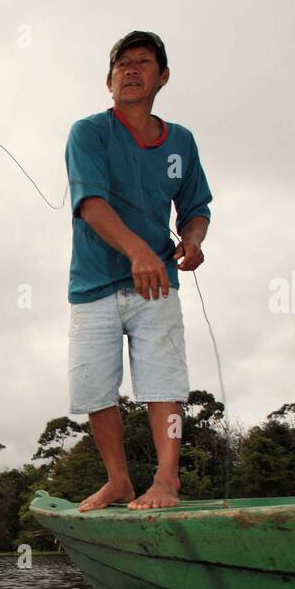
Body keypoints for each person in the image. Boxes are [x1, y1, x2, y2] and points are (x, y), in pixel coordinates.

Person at [65, 31, 213, 511]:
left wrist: (191, 240)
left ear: (162, 76)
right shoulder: (89, 132)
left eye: (143, 63)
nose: (130, 70)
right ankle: (119, 480)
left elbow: (196, 207)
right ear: (109, 82)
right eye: (121, 65)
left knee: (163, 381)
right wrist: (137, 251)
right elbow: (90, 202)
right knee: (94, 385)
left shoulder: (182, 142)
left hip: (156, 286)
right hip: (93, 284)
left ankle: (166, 479)